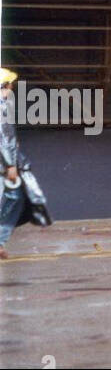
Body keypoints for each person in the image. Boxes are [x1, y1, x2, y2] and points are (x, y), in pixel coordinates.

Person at [0, 68, 53, 259]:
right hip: (3, 164)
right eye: (9, 85)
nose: (11, 88)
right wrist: (10, 165)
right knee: (14, 198)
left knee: (14, 197)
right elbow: (4, 137)